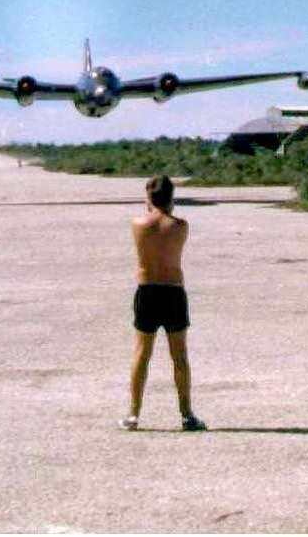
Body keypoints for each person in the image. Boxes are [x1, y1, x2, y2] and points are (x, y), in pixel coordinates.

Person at [120, 175, 206, 432]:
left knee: (141, 354)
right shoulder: (180, 226)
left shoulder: (138, 224)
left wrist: (151, 207)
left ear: (149, 198)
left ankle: (133, 414)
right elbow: (168, 225)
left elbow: (151, 219)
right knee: (179, 356)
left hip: (147, 291)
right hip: (173, 291)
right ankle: (187, 414)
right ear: (171, 198)